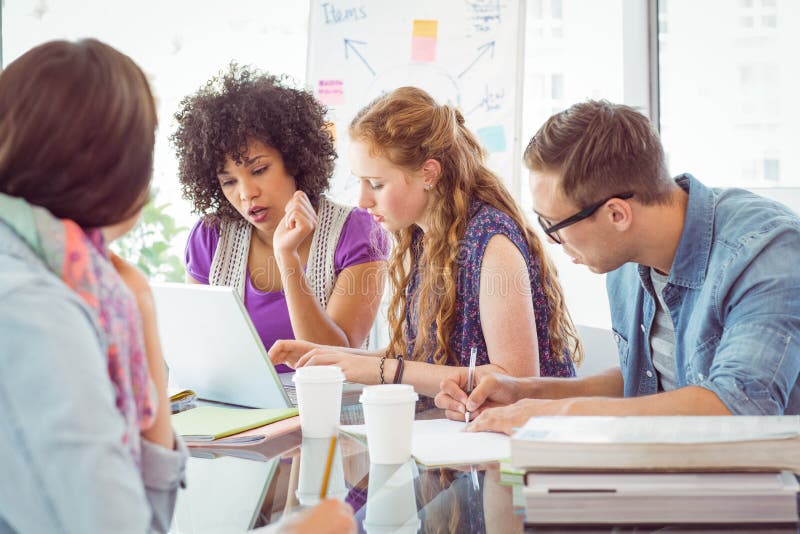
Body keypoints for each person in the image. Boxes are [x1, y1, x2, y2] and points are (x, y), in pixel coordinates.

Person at [0, 39, 355, 534]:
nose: (245, 192)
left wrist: (142, 309)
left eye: (257, 171)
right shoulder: (36, 310)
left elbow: (147, 516)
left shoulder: (68, 275)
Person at [435, 99, 800, 433]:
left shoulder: (766, 252)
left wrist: (549, 415)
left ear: (616, 213)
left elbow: (738, 407)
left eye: (554, 225)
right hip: (666, 471)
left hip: (761, 493)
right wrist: (526, 392)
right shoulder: (626, 255)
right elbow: (645, 380)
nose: (549, 240)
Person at [269, 87, 582, 398]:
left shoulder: (493, 242)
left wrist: (378, 369)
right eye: (360, 181)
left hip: (527, 438)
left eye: (376, 184)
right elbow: (424, 362)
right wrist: (336, 359)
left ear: (428, 174)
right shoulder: (420, 236)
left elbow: (517, 380)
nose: (363, 200)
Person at [172, 65, 388, 371]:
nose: (246, 193)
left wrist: (287, 258)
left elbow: (334, 363)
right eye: (229, 181)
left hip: (324, 407)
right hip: (241, 412)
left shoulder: (357, 232)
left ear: (296, 160)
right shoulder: (210, 237)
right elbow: (202, 351)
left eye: (259, 170)